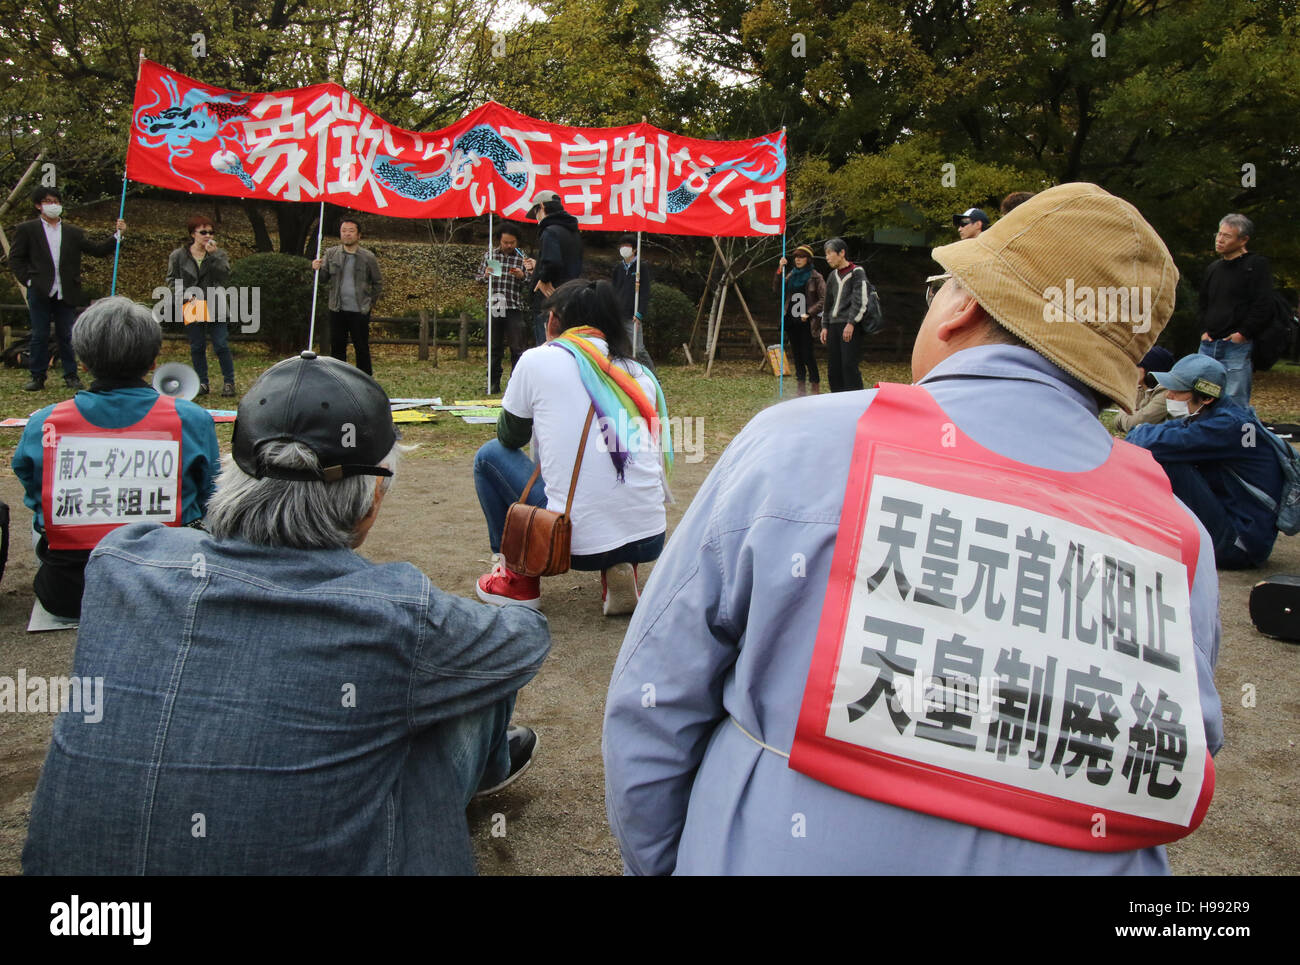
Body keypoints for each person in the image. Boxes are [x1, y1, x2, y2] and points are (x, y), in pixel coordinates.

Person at [604, 183, 1223, 875]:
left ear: (961, 307)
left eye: (942, 285)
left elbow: (653, 698)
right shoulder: (1178, 534)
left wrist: (659, 864)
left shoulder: (800, 445)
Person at [22, 352, 550, 875]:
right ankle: (488, 768)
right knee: (459, 683)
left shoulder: (121, 560)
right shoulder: (397, 613)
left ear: (231, 472)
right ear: (372, 500)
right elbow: (523, 640)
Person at [10, 297, 219, 619]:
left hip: (69, 593)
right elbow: (209, 496)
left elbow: (34, 494)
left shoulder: (44, 424)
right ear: (153, 363)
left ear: (82, 363)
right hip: (168, 583)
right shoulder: (191, 419)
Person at [474, 280, 671, 617]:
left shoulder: (537, 361)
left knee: (489, 456)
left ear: (554, 320)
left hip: (566, 543)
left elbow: (510, 437)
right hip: (649, 538)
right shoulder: (639, 373)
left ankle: (518, 577)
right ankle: (621, 567)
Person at [1127, 354, 1282, 569]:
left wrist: (1139, 432)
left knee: (1167, 462)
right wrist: (1140, 433)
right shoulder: (1219, 415)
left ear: (1207, 397)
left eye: (1178, 391)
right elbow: (1152, 435)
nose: (1169, 395)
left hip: (1238, 546)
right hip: (1242, 533)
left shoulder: (1226, 426)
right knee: (1167, 452)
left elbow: (1147, 442)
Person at [9, 186, 127, 392]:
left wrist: (117, 236)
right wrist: (29, 281)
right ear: (38, 205)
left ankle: (71, 375)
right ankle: (37, 376)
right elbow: (16, 258)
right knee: (39, 334)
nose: (53, 205)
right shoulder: (27, 229)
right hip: (40, 289)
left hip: (66, 290)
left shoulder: (73, 232)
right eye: (47, 201)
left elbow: (97, 250)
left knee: (67, 334)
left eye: (56, 201)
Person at [1197, 213, 1273, 407]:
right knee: (1203, 396)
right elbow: (1204, 302)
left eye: (1227, 236)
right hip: (1209, 343)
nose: (1220, 240)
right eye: (1219, 234)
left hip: (1235, 346)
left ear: (1243, 240)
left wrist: (1243, 333)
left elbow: (1263, 304)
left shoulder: (1255, 266)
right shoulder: (1214, 268)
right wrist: (1204, 331)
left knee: (1234, 398)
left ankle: (1236, 435)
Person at [166, 215, 237, 396]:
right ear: (193, 234)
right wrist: (184, 296)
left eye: (211, 232)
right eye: (203, 232)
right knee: (197, 346)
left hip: (215, 302)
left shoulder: (218, 254)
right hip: (192, 303)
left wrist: (214, 256)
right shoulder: (179, 255)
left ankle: (229, 382)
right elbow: (172, 279)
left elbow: (224, 276)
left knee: (221, 344)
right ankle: (202, 383)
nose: (207, 235)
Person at [312, 215, 383, 377]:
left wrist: (369, 303)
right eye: (344, 231)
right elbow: (323, 279)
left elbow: (377, 283)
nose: (347, 234)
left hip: (360, 310)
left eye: (351, 231)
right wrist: (317, 268)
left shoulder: (368, 257)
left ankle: (365, 380)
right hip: (337, 309)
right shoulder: (331, 254)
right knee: (337, 347)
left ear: (359, 235)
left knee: (361, 347)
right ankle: (338, 379)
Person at [522, 190, 583, 347]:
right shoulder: (573, 233)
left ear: (542, 206)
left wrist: (543, 279)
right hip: (570, 295)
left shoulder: (549, 231)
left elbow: (553, 262)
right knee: (566, 345)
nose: (536, 217)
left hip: (549, 300)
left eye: (536, 212)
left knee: (547, 345)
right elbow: (567, 262)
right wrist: (538, 267)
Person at [475, 224, 530, 393]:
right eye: (505, 242)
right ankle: (493, 383)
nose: (508, 245)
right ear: (499, 240)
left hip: (514, 305)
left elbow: (532, 282)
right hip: (495, 304)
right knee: (494, 346)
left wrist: (522, 276)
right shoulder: (490, 256)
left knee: (517, 347)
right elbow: (477, 278)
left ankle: (516, 385)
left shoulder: (522, 258)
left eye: (512, 242)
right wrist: (485, 276)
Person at [819, 237, 869, 392]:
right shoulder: (832, 276)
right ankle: (836, 398)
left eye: (829, 253)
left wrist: (851, 323)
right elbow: (827, 303)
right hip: (833, 326)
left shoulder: (857, 272)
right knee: (834, 367)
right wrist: (824, 326)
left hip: (849, 326)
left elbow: (860, 299)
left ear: (841, 253)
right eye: (825, 254)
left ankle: (854, 399)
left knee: (848, 365)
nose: (827, 257)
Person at [774, 244, 826, 394]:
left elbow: (824, 300)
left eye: (801, 257)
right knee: (796, 354)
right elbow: (777, 289)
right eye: (796, 257)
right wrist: (779, 270)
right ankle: (801, 387)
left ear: (808, 259)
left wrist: (809, 313)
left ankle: (815, 386)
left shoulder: (816, 277)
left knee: (807, 354)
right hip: (791, 319)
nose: (798, 260)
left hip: (807, 322)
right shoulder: (790, 274)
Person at [610, 234, 655, 370]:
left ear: (635, 249)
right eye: (622, 246)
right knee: (619, 347)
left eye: (627, 246)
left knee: (638, 349)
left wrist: (640, 312)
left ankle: (653, 376)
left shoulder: (641, 267)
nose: (624, 248)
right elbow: (614, 290)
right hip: (619, 314)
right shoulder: (618, 268)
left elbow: (645, 292)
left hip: (633, 315)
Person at [1114, 345, 1174, 433]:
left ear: (1148, 369)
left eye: (1135, 365)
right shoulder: (1141, 389)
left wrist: (1124, 413)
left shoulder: (1165, 394)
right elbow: (1117, 423)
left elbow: (1130, 425)